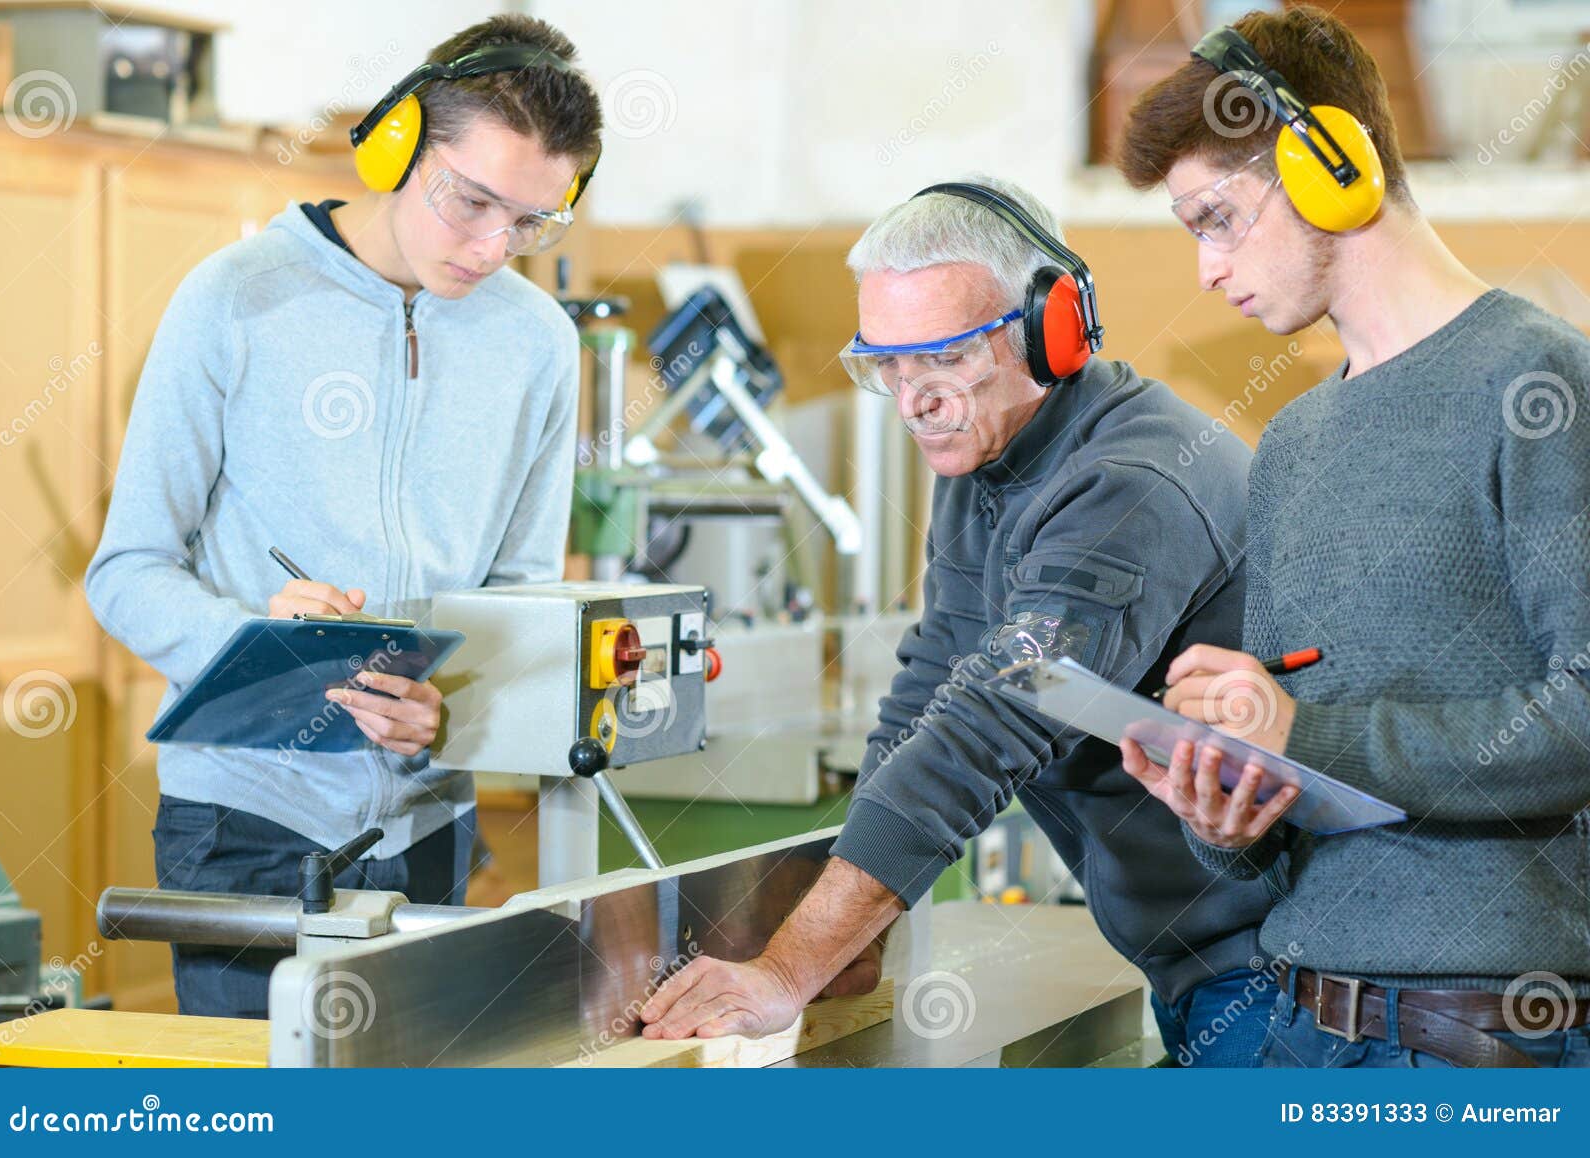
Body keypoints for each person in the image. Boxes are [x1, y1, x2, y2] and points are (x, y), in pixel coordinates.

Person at [640, 175, 1283, 1065]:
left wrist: (785, 971)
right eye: (888, 365)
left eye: (945, 358)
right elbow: (930, 691)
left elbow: (993, 720)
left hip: (1286, 978)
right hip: (1199, 968)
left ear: (1054, 328)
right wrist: (850, 934)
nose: (913, 400)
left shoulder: (1132, 483)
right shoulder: (983, 466)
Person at [83, 15, 600, 1018]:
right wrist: (254, 643)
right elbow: (127, 568)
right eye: (472, 200)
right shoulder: (236, 298)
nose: (495, 246)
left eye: (532, 222)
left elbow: (522, 597)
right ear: (396, 143)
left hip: (427, 828)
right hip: (246, 823)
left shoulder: (538, 342)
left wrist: (450, 711)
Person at [1114, 5, 1590, 1067]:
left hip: (1478, 1051)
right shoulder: (1291, 442)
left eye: (1217, 218)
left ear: (1333, 164)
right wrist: (1230, 810)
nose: (1205, 269)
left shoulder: (1537, 383)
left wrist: (1305, 739)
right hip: (1296, 1025)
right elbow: (1291, 780)